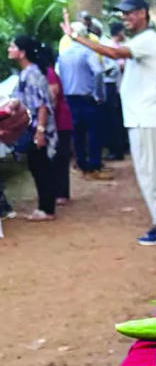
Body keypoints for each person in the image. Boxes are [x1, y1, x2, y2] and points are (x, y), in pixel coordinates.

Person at [61, 0, 156, 246]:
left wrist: (76, 38)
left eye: (131, 13)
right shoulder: (146, 40)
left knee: (151, 175)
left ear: (144, 13)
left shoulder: (146, 40)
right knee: (150, 173)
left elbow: (113, 53)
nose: (125, 17)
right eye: (123, 14)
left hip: (145, 118)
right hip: (143, 116)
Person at [8, 35, 57, 221]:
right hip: (32, 127)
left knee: (41, 167)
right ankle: (44, 207)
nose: (9, 49)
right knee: (37, 166)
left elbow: (42, 105)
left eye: (12, 47)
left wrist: (40, 131)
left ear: (22, 52)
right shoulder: (26, 73)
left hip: (38, 127)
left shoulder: (33, 74)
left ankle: (47, 209)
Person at [56, 24, 109, 180]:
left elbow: (58, 75)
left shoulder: (63, 54)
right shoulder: (87, 52)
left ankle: (81, 162)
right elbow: (99, 72)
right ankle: (94, 164)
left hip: (69, 98)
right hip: (87, 97)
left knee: (77, 133)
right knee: (94, 132)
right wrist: (98, 93)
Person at [37, 44, 73, 204]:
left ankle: (61, 193)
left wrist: (44, 122)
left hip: (60, 121)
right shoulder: (45, 72)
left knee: (60, 156)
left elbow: (53, 98)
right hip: (57, 121)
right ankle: (58, 191)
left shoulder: (49, 73)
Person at [103, 21, 127, 160]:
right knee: (114, 119)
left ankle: (119, 148)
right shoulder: (111, 48)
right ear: (119, 33)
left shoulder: (119, 47)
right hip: (112, 87)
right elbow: (117, 68)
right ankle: (117, 149)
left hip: (118, 87)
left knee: (117, 119)